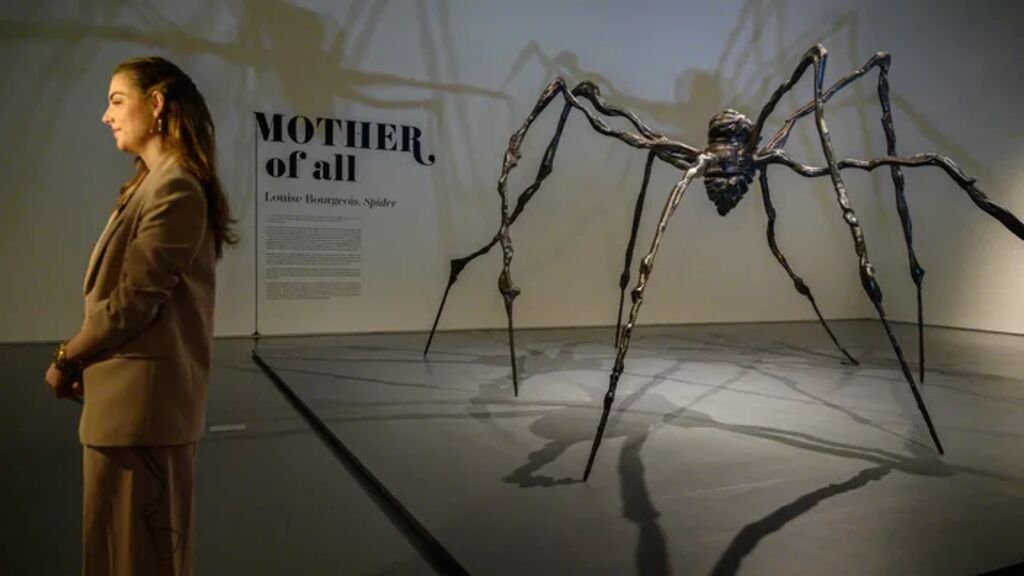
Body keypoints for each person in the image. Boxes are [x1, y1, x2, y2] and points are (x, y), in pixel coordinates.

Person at [44, 56, 236, 575]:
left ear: (156, 105)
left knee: (139, 558)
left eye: (115, 100)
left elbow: (132, 301)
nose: (106, 115)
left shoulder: (174, 187)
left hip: (143, 416)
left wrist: (67, 357)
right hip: (127, 414)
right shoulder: (154, 186)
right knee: (118, 553)